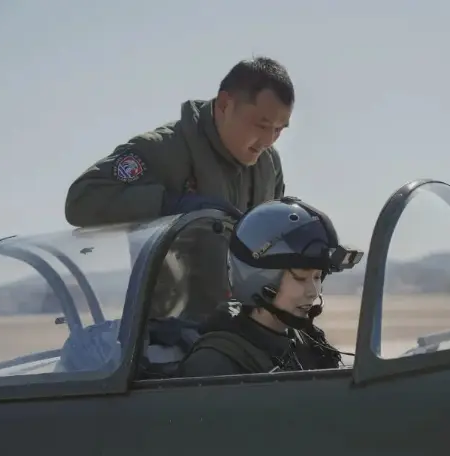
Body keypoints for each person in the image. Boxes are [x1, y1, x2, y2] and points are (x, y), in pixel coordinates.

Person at [63, 56, 295, 319]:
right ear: (225, 104)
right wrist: (171, 206)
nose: (268, 140)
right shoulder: (164, 150)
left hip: (240, 328)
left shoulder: (269, 164)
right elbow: (82, 199)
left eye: (278, 130)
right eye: (261, 125)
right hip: (170, 334)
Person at [177, 196, 364, 378]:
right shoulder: (215, 364)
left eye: (317, 277)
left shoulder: (309, 344)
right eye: (300, 277)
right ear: (259, 280)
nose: (313, 291)